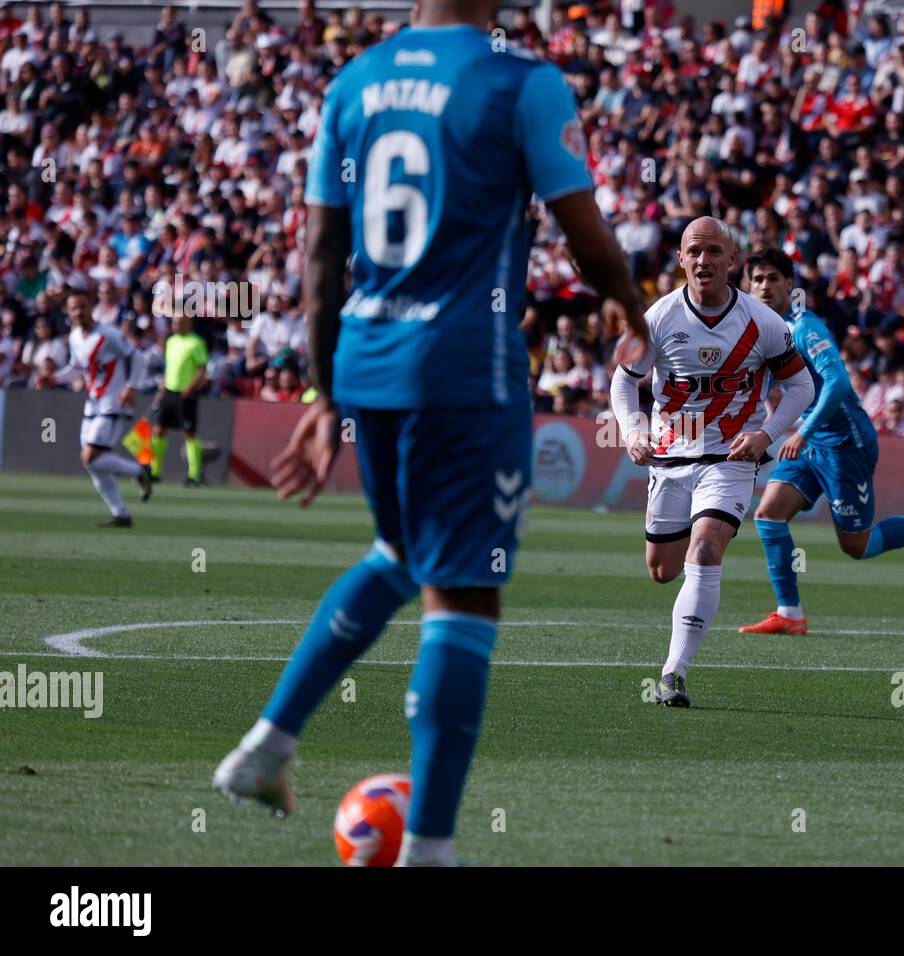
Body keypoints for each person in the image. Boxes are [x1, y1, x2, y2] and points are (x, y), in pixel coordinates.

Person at [213, 0, 647, 867]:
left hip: (370, 359)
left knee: (400, 554)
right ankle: (433, 850)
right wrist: (637, 311)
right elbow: (586, 237)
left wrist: (324, 391)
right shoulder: (519, 79)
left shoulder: (356, 81)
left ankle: (265, 749)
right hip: (464, 368)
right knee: (465, 592)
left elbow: (320, 254)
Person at [609, 219, 816, 706]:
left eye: (714, 252)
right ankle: (688, 603)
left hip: (730, 458)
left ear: (732, 260)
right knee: (662, 570)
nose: (704, 261)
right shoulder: (656, 319)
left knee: (704, 553)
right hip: (671, 454)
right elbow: (623, 382)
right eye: (694, 252)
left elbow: (802, 386)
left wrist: (766, 433)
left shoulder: (763, 323)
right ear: (681, 259)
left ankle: (673, 674)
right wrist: (634, 430)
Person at [736, 248, 904, 637]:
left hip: (846, 442)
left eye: (772, 279)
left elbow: (839, 383)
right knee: (769, 514)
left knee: (857, 546)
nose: (764, 287)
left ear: (789, 285)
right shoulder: (762, 330)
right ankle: (790, 613)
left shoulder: (804, 328)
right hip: (810, 441)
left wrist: (801, 432)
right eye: (757, 279)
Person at [51, 290, 152, 525]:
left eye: (83, 307)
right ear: (67, 311)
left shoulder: (108, 334)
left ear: (91, 307)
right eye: (74, 308)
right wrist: (54, 379)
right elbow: (77, 368)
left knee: (90, 457)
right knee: (94, 464)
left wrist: (131, 387)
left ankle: (140, 471)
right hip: (93, 404)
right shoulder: (75, 336)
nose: (79, 312)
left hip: (113, 403)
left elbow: (136, 356)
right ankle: (121, 514)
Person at [151, 311, 208, 485]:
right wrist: (163, 387)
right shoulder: (171, 341)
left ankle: (194, 475)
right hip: (169, 391)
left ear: (188, 323)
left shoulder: (196, 342)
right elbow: (170, 367)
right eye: (174, 323)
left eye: (179, 322)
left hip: (186, 394)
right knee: (159, 429)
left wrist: (191, 386)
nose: (175, 326)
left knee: (189, 433)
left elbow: (201, 370)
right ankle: (154, 471)